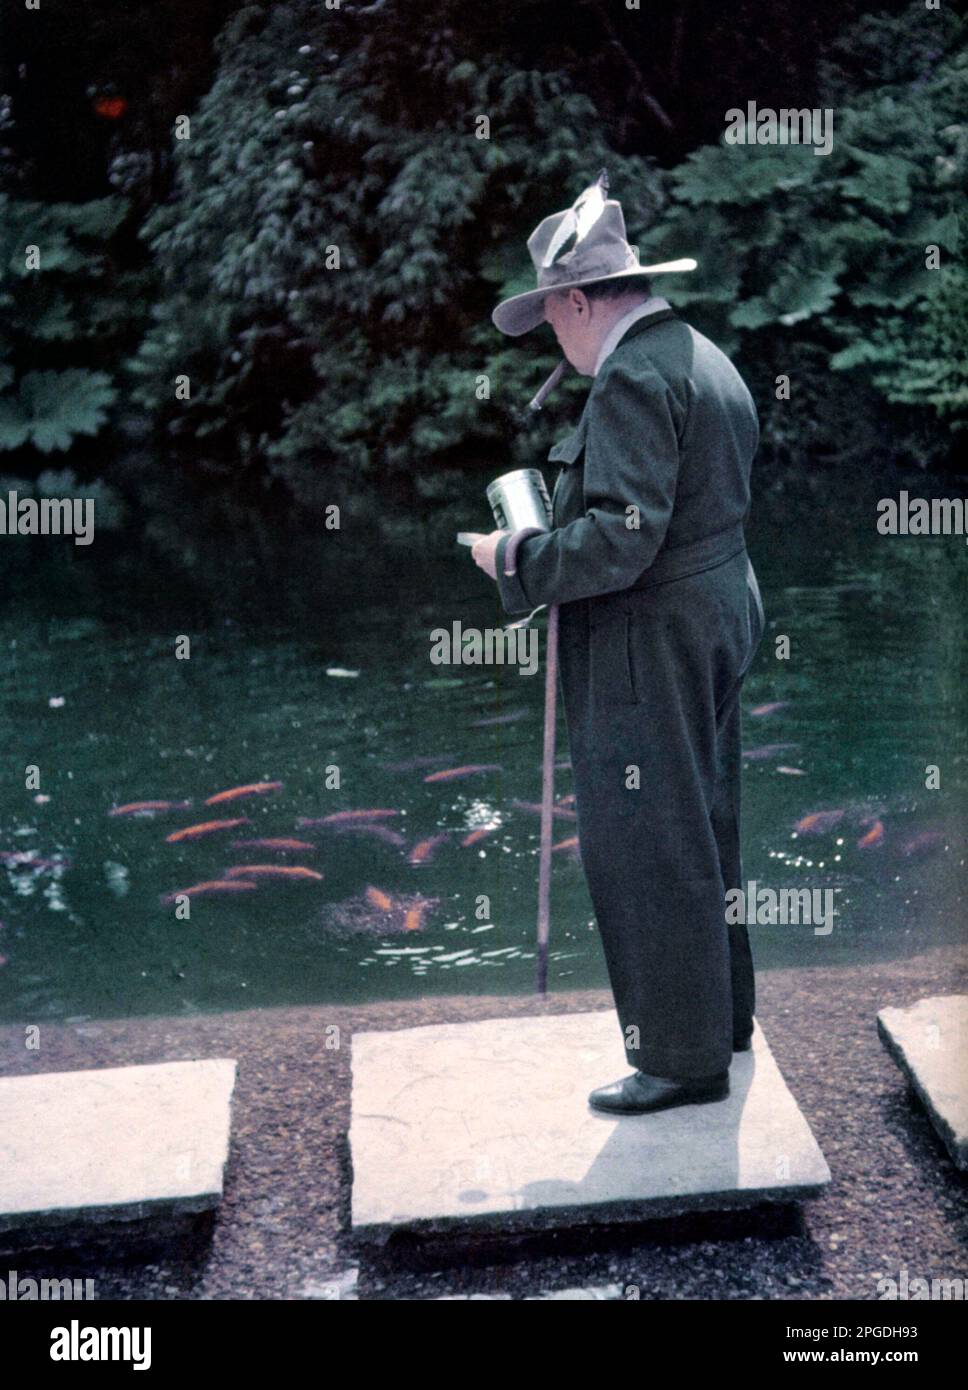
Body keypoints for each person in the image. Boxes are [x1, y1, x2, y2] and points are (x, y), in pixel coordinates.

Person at [471, 175, 766, 1115]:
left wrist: (513, 555)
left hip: (654, 636)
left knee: (648, 838)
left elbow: (623, 538)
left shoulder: (636, 374)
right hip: (717, 611)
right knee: (704, 818)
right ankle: (720, 1022)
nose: (554, 341)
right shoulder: (698, 353)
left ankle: (680, 1060)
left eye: (552, 320)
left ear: (577, 299)